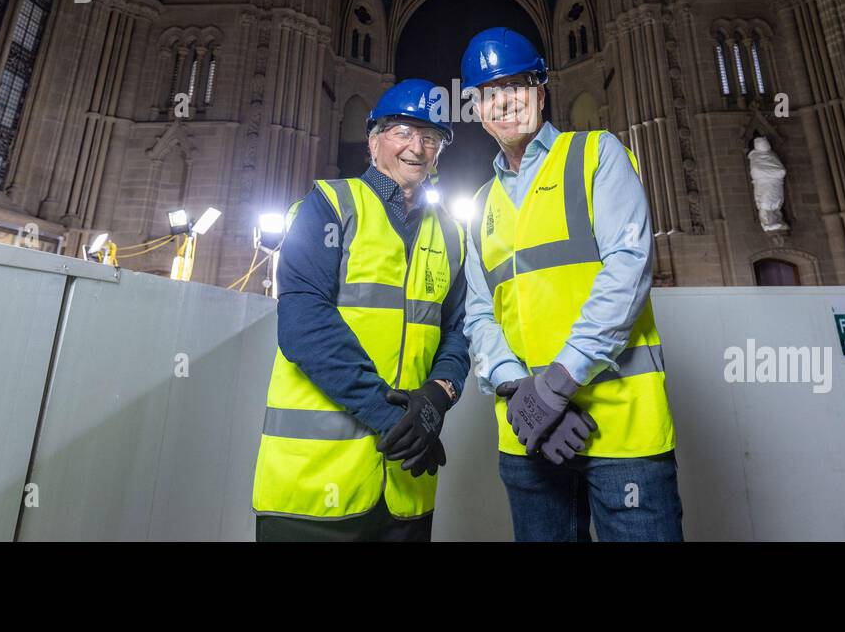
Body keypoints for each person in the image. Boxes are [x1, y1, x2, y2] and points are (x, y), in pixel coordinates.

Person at [460, 27, 683, 542]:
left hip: (622, 432)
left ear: (540, 90)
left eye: (516, 85)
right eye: (490, 93)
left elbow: (627, 269)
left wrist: (559, 384)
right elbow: (478, 314)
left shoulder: (597, 155)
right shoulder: (479, 207)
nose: (504, 101)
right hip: (527, 435)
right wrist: (520, 391)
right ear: (476, 108)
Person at [252, 78, 468, 541]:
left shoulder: (451, 234)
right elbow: (304, 326)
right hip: (312, 491)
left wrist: (438, 395)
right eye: (404, 132)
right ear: (373, 142)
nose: (418, 147)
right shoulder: (329, 206)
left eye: (431, 138)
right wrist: (390, 415)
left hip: (406, 490)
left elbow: (458, 331)